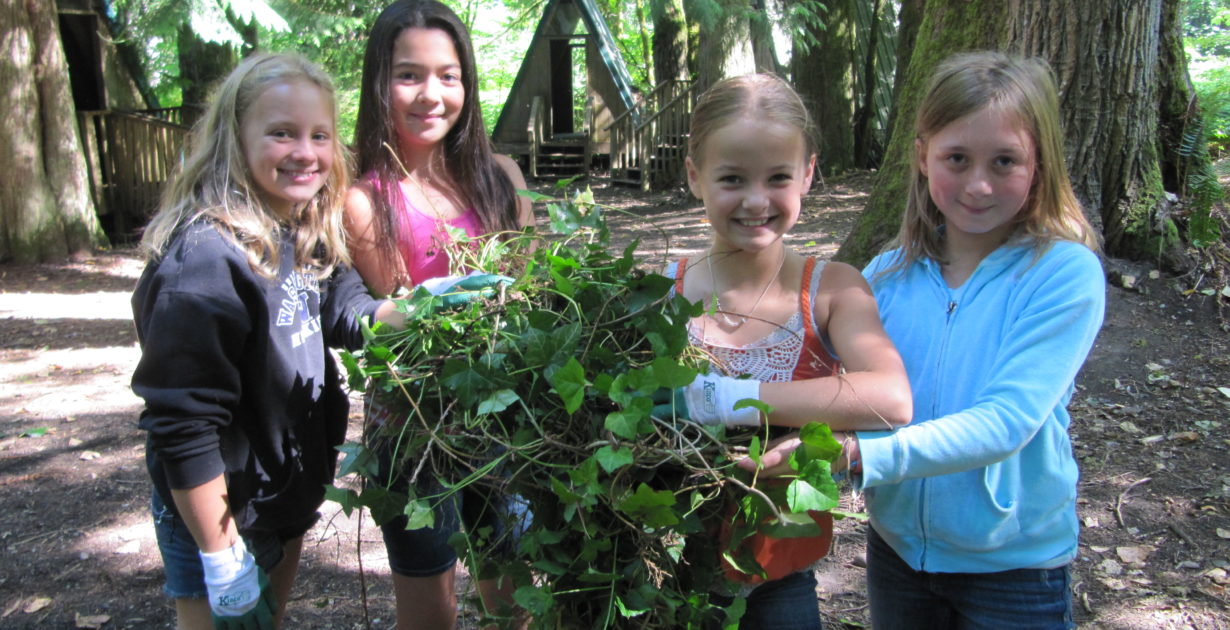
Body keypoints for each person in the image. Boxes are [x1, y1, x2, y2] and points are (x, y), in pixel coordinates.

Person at [131, 53, 408, 630]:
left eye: (319, 135)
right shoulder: (206, 260)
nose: (304, 152)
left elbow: (348, 311)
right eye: (281, 133)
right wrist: (220, 552)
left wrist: (425, 313)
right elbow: (183, 422)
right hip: (217, 507)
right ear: (235, 138)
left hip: (282, 489)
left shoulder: (302, 230)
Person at [845, 51, 1106, 629]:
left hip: (1012, 570)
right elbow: (845, 387)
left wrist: (862, 456)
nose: (979, 185)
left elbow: (1007, 420)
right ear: (921, 156)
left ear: (1039, 165)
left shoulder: (1062, 273)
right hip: (896, 554)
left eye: (1005, 161)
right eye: (956, 158)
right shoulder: (885, 274)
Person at [657, 73, 912, 630]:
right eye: (731, 178)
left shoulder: (832, 289)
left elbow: (890, 398)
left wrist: (727, 399)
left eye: (778, 177)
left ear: (808, 174)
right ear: (695, 175)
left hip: (778, 579)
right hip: (659, 576)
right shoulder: (655, 294)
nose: (756, 200)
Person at [342, 2, 535, 628]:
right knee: (430, 615)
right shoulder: (364, 201)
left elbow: (530, 298)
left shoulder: (503, 178)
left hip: (509, 424)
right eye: (409, 75)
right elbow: (409, 336)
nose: (432, 94)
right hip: (414, 433)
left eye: (448, 75)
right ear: (379, 83)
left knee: (517, 602)